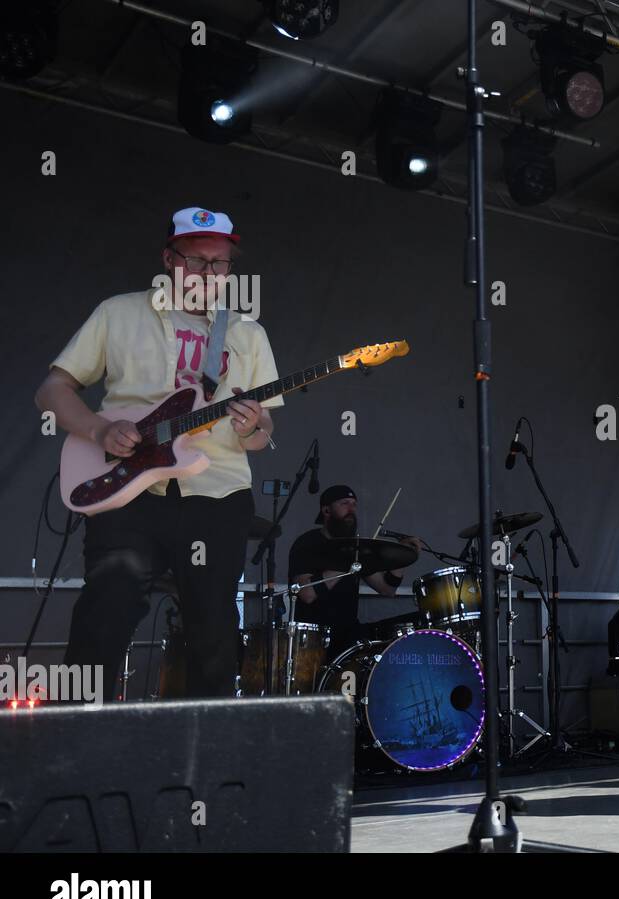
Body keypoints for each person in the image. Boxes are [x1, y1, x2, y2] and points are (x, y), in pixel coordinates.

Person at [36, 207, 282, 698]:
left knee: (213, 631)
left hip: (217, 494)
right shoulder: (118, 312)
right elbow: (52, 390)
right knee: (105, 613)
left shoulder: (247, 334)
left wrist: (255, 426)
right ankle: (72, 747)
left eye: (220, 263)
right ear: (168, 258)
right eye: (196, 260)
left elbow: (263, 434)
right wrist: (100, 429)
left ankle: (202, 759)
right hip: (128, 492)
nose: (209, 273)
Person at [288, 485, 418, 658]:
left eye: (354, 504)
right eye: (345, 503)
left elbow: (387, 589)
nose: (352, 509)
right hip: (313, 637)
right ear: (326, 510)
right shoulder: (308, 543)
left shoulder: (356, 546)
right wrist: (345, 561)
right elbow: (307, 594)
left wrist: (402, 559)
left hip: (348, 635)